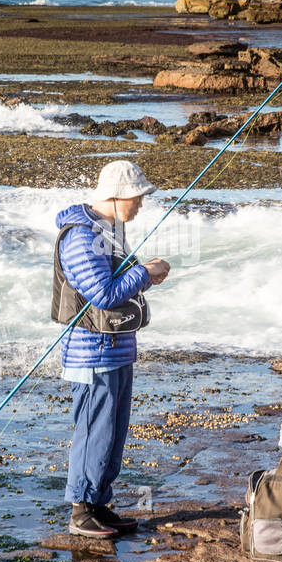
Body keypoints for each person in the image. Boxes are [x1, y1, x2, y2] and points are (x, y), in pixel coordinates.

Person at [51, 160, 170, 538]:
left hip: (117, 350)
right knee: (93, 430)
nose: (140, 205)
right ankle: (80, 510)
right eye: (137, 197)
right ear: (117, 197)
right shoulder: (81, 237)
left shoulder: (109, 231)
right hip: (91, 354)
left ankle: (99, 503)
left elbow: (116, 284)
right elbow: (102, 294)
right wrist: (145, 273)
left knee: (113, 432)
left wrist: (145, 278)